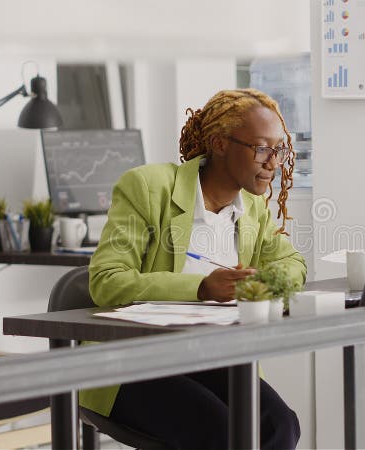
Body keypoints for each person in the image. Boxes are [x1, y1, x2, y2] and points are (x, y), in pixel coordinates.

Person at [83, 88, 307, 449]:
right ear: (219, 144)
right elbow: (107, 282)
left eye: (279, 149)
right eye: (262, 148)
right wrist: (201, 288)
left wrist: (266, 282)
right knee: (223, 435)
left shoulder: (252, 208)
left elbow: (293, 263)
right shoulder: (147, 187)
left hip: (212, 359)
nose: (274, 162)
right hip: (133, 363)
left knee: (281, 426)